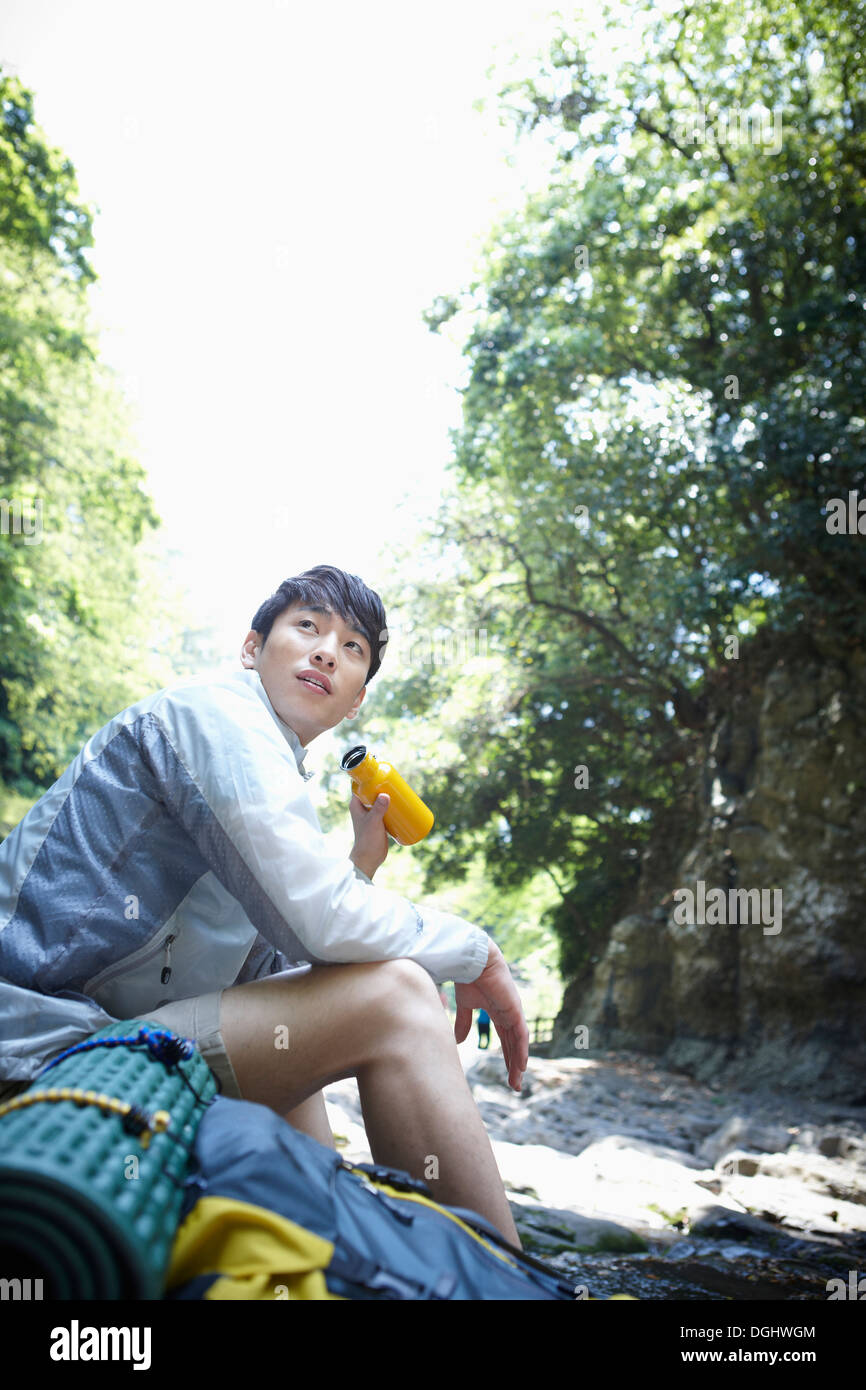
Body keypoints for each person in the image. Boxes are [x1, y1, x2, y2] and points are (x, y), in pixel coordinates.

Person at [0, 565, 528, 1247]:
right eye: (307, 626)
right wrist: (476, 952)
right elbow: (323, 923)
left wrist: (360, 866)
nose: (326, 651)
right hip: (32, 1044)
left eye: (352, 648)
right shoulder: (214, 714)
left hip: (101, 1041)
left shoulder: (271, 778)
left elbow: (279, 977)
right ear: (253, 648)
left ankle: (323, 1253)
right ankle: (501, 1278)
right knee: (398, 996)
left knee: (320, 1030)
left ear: (355, 701)